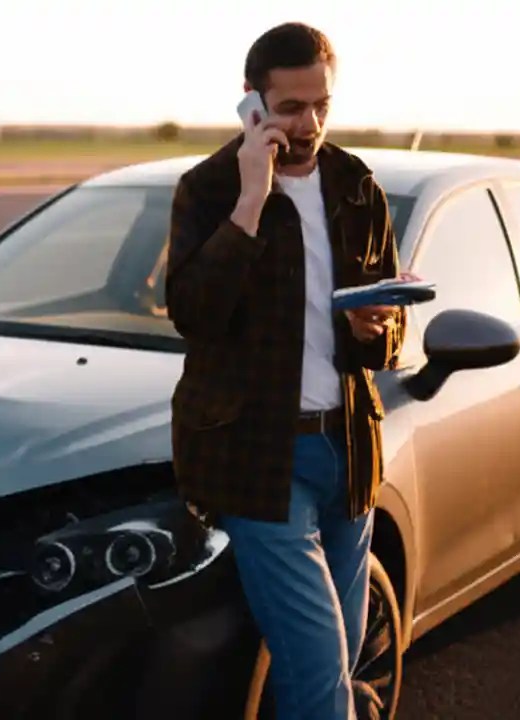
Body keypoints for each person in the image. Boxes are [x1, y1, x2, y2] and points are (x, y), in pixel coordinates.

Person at [164, 21, 406, 720]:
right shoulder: (209, 189)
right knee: (318, 666)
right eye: (293, 107)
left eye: (322, 105)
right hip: (261, 461)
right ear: (253, 103)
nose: (311, 124)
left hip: (351, 451)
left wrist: (378, 328)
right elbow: (192, 313)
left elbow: (387, 336)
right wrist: (250, 199)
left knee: (343, 654)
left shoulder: (358, 187)